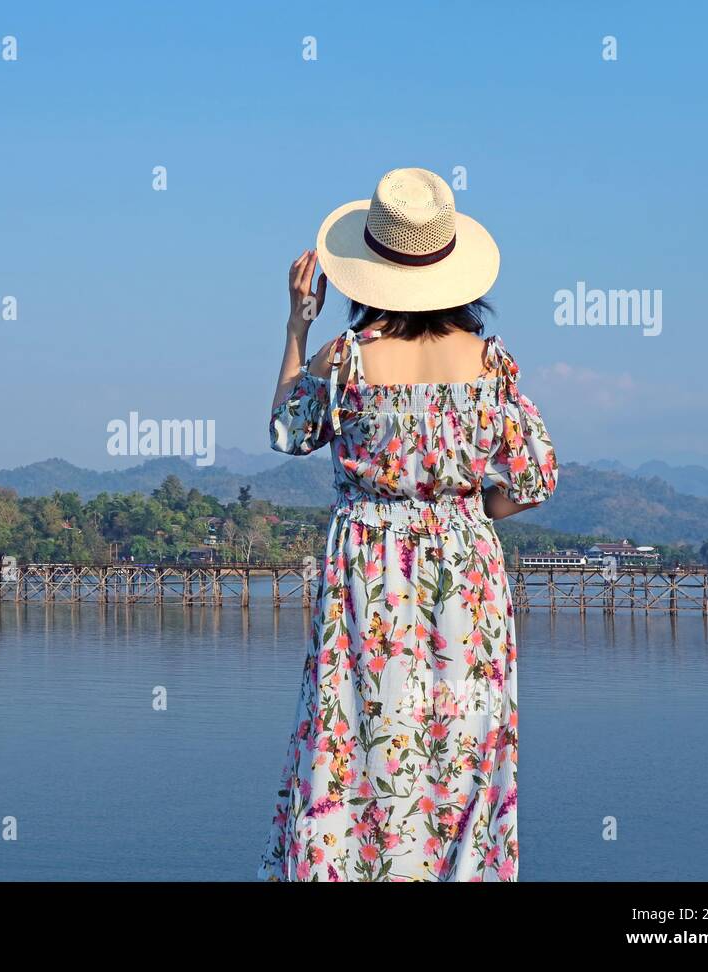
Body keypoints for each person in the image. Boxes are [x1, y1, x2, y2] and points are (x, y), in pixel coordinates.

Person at [259, 167, 557, 882]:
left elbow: (285, 431)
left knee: (357, 738)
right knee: (461, 749)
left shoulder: (349, 362)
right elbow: (536, 480)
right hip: (467, 575)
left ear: (370, 272)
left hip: (371, 572)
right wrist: (463, 511)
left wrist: (298, 325)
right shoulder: (491, 365)